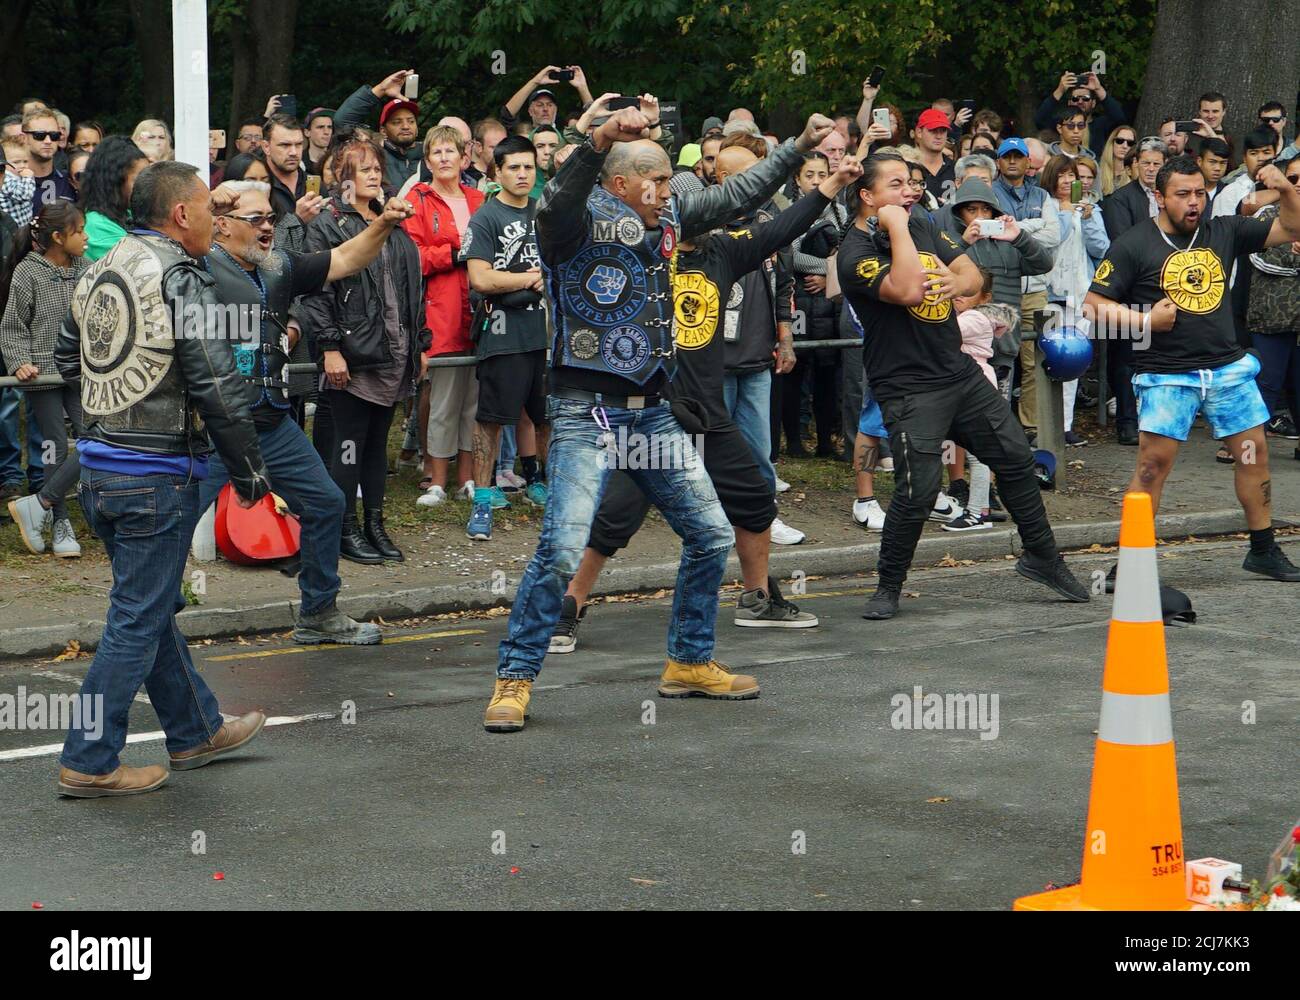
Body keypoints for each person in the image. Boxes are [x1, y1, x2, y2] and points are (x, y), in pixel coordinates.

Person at [483, 105, 837, 733]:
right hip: (585, 413)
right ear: (621, 184)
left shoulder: (668, 217)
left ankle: (689, 662)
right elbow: (557, 198)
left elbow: (739, 195)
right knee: (561, 549)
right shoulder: (569, 222)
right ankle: (514, 678)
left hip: (652, 412)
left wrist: (798, 147)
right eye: (660, 180)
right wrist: (597, 139)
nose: (672, 190)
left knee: (711, 533)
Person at [550, 153, 863, 651]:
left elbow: (781, 229)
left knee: (755, 497)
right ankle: (568, 606)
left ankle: (757, 598)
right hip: (649, 412)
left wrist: (829, 187)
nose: (685, 214)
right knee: (615, 516)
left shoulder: (723, 252)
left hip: (705, 412)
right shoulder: (639, 250)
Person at [52, 161, 271, 797]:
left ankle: (196, 729)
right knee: (137, 618)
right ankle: (90, 759)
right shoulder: (181, 276)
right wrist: (250, 473)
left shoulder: (102, 265)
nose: (214, 221)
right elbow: (217, 384)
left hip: (100, 470)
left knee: (150, 608)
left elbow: (68, 354)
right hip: (156, 474)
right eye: (207, 209)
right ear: (180, 214)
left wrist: (102, 423)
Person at [837, 152, 1089, 620]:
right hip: (908, 387)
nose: (910, 191)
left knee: (1016, 458)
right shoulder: (854, 254)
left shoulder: (920, 223)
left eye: (911, 183)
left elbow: (972, 273)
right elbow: (908, 289)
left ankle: (1042, 557)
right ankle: (888, 585)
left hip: (958, 372)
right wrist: (896, 226)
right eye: (896, 186)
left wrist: (955, 282)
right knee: (918, 490)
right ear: (867, 195)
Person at [202, 176, 414, 641]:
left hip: (272, 422)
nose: (267, 227)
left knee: (326, 503)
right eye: (254, 219)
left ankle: (318, 612)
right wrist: (204, 202)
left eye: (270, 218)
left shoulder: (280, 265)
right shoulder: (195, 267)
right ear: (221, 224)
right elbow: (162, 234)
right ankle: (149, 623)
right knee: (172, 525)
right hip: (214, 429)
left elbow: (347, 258)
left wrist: (383, 222)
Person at [1085, 155, 1300, 585]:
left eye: (1200, 193)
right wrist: (1146, 321)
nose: (1194, 202)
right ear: (1160, 197)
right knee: (1152, 466)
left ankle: (1263, 549)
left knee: (1253, 455)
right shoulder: (1133, 243)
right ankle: (1130, 562)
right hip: (1167, 375)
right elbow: (1093, 307)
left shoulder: (1224, 230)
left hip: (1227, 371)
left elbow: (1292, 228)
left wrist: (1286, 189)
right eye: (1182, 194)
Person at [299, 135, 429, 564]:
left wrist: (420, 345)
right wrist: (330, 348)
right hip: (352, 353)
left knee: (376, 446)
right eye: (364, 168)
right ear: (343, 176)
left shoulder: (392, 218)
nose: (374, 174)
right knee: (348, 445)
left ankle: (375, 524)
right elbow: (317, 291)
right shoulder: (328, 224)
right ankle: (345, 528)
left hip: (394, 349)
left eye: (377, 168)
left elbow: (413, 289)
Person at [462, 135, 549, 541]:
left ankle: (541, 483)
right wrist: (530, 279)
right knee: (492, 420)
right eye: (513, 167)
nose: (522, 174)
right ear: (497, 171)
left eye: (528, 166)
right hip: (502, 333)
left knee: (545, 416)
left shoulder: (545, 212)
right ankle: (482, 499)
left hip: (546, 334)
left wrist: (540, 279)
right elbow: (480, 278)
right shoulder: (486, 218)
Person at [403, 125, 485, 508]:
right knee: (444, 399)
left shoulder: (479, 198)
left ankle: (466, 478)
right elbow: (412, 256)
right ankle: (436, 480)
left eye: (450, 151)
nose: (444, 158)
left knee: (474, 401)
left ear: (464, 157)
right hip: (442, 308)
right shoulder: (419, 199)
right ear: (428, 160)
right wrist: (453, 254)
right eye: (436, 152)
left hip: (481, 307)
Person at [2, 201, 88, 556]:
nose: (86, 237)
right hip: (44, 375)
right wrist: (20, 361)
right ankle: (60, 521)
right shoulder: (28, 272)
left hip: (82, 373)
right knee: (53, 446)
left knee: (95, 438)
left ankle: (40, 503)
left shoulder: (88, 269)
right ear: (58, 237)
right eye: (79, 231)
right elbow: (13, 325)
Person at [992, 137, 1062, 439]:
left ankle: (1031, 426)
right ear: (998, 161)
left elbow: (1054, 235)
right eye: (1007, 156)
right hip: (1000, 287)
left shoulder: (1042, 194)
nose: (1012, 161)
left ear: (1027, 161)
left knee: (1036, 360)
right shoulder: (989, 193)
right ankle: (999, 424)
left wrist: (1016, 230)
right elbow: (992, 234)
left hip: (1036, 289)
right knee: (1000, 358)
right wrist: (1034, 226)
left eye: (1018, 156)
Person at [1040, 154, 1109, 446]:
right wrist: (1068, 214)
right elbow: (1052, 241)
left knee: (1073, 360)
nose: (1068, 181)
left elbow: (1102, 248)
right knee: (1046, 361)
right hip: (1050, 293)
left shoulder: (1090, 208)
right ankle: (1043, 426)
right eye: (1062, 175)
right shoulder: (1044, 206)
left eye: (1073, 176)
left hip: (1082, 295)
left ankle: (1066, 425)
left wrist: (1088, 218)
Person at [789, 151, 846, 459]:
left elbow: (848, 254)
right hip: (797, 300)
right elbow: (792, 256)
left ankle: (826, 440)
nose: (816, 181)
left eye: (822, 174)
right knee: (795, 371)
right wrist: (829, 267)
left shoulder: (840, 211)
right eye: (809, 175)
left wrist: (829, 277)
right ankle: (794, 440)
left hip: (829, 303)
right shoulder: (793, 210)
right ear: (797, 179)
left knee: (828, 371)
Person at [1244, 156, 1300, 440]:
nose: (1298, 184)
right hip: (1271, 317)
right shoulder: (1266, 214)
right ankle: (1247, 446)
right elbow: (1260, 258)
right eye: (1293, 178)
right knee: (1266, 381)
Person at [334, 69, 423, 192]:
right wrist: (381, 89)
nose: (406, 126)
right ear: (383, 131)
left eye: (411, 121)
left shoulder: (431, 156)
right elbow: (343, 122)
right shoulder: (374, 155)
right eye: (397, 122)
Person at [81, 135, 149, 261]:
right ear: (115, 181)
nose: (148, 186)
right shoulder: (96, 227)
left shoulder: (129, 214)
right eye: (140, 179)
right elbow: (144, 263)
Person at [1035, 71, 1126, 157]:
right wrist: (1060, 90)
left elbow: (1119, 119)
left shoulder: (1101, 125)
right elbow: (1040, 120)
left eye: (1085, 98)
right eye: (1075, 99)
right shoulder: (1062, 124)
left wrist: (1098, 89)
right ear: (1069, 103)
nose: (1080, 101)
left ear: (1093, 103)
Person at [500, 66, 593, 133]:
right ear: (530, 111)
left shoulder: (566, 139)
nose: (545, 109)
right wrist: (535, 82)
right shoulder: (524, 139)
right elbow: (507, 115)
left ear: (556, 110)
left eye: (550, 105)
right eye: (539, 105)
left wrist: (582, 87)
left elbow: (594, 123)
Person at [23, 108, 76, 216]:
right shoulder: (11, 184)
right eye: (39, 135)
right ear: (24, 138)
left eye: (54, 135)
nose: (48, 141)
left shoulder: (71, 182)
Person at [911, 109, 955, 203]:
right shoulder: (907, 167)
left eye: (943, 131)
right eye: (933, 130)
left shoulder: (956, 168)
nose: (938, 136)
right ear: (919, 132)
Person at [0, 136, 36, 225]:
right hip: (11, 228)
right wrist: (27, 178)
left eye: (25, 161)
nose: (22, 165)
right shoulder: (6, 179)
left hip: (24, 226)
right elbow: (24, 195)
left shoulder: (20, 178)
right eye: (16, 162)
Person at [1198, 137, 1231, 211]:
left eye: (1223, 163)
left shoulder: (1229, 192)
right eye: (1212, 162)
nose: (1218, 168)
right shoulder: (1188, 191)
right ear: (1199, 161)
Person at [303, 107, 334, 174]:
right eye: (320, 127)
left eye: (329, 127)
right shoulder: (298, 163)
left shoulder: (337, 161)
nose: (326, 132)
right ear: (307, 132)